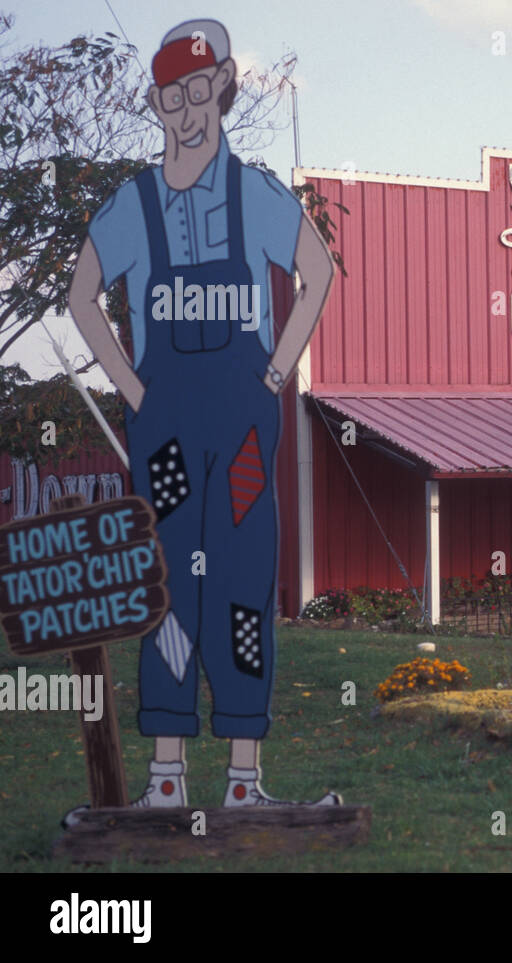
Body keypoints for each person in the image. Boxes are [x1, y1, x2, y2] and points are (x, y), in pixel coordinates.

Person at [64, 19, 337, 822]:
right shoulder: (133, 205)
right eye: (173, 95)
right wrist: (133, 389)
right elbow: (81, 295)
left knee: (246, 585)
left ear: (222, 88)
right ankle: (168, 775)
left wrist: (278, 371)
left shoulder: (256, 193)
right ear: (157, 103)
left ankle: (245, 777)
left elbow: (315, 273)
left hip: (247, 432)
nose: (189, 109)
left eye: (201, 89)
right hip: (167, 431)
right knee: (169, 588)